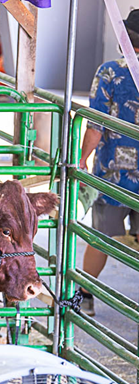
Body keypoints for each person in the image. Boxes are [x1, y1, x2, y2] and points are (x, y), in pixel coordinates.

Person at [78, 8, 139, 316]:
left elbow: (95, 125)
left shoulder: (110, 72)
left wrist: (82, 159)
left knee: (100, 238)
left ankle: (85, 296)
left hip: (114, 175)